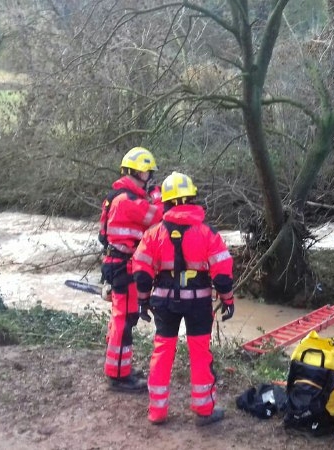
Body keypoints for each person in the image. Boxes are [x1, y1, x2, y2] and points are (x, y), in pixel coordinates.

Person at [132, 171, 235, 426]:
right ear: (192, 199)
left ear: (166, 201)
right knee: (200, 353)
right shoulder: (208, 233)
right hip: (198, 304)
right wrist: (228, 299)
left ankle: (157, 411)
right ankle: (204, 410)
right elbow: (222, 273)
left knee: (162, 351)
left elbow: (142, 272)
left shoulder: (154, 233)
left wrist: (143, 300)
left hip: (164, 303)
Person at [98, 147, 163, 392]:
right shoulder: (127, 201)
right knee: (124, 320)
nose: (151, 179)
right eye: (149, 174)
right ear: (137, 172)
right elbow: (158, 215)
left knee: (124, 319)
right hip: (123, 267)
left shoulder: (119, 195)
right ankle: (117, 376)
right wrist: (157, 195)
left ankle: (120, 368)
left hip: (120, 265)